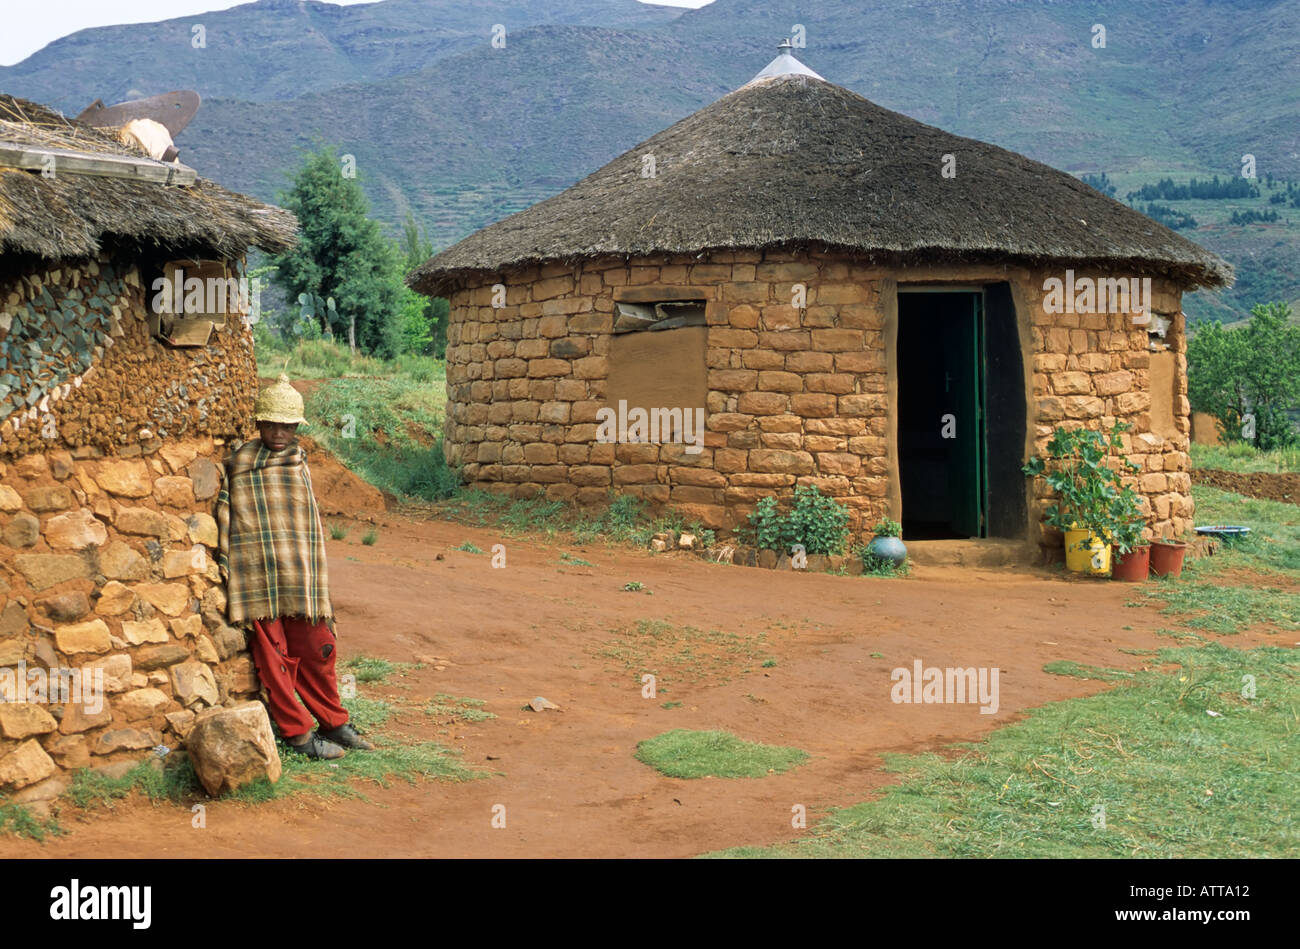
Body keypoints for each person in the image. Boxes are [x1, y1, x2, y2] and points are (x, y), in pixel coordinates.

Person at [214, 373, 373, 759]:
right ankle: (298, 735)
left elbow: (308, 525)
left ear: (296, 428)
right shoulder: (242, 463)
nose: (279, 433)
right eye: (271, 425)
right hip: (258, 577)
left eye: (286, 426)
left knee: (320, 646)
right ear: (260, 424)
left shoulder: (298, 463)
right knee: (274, 654)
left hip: (300, 578)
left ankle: (334, 723)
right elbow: (228, 514)